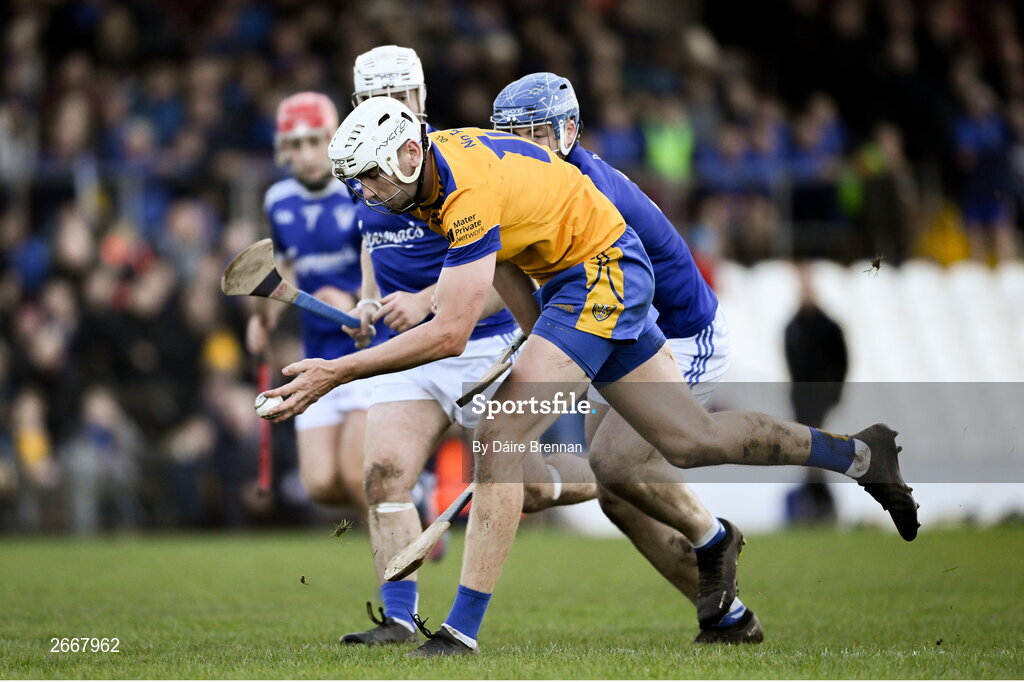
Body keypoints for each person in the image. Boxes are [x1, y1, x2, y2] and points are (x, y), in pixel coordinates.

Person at [264, 96, 919, 657]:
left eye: (370, 179)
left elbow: (448, 332)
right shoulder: (427, 186)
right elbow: (509, 263)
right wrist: (531, 334)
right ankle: (860, 453)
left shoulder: (459, 188)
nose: (365, 196)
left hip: (598, 273)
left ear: (405, 155)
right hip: (577, 278)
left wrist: (335, 371)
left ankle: (460, 632)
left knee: (498, 433)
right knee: (691, 442)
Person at [334, 46, 595, 647]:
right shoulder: (365, 165)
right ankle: (400, 619)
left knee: (519, 479)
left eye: (399, 98)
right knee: (383, 474)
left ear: (422, 99)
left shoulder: (456, 165)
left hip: (484, 344)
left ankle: (606, 475)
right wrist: (370, 301)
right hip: (413, 351)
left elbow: (506, 275)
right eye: (374, 100)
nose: (388, 111)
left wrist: (427, 299)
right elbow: (375, 248)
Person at [490, 72, 759, 643]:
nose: (522, 151)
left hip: (680, 333)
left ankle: (716, 540)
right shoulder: (538, 189)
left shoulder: (589, 191)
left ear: (565, 131)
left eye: (534, 135)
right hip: (626, 328)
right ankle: (726, 614)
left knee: (619, 465)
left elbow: (611, 300)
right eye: (512, 138)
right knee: (616, 493)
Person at [246, 92, 371, 514]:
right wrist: (265, 317)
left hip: (366, 346)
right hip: (315, 349)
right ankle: (410, 495)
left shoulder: (359, 191)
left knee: (359, 477)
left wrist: (355, 298)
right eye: (296, 145)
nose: (308, 154)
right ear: (284, 150)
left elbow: (387, 263)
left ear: (334, 139)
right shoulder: (278, 200)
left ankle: (397, 576)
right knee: (319, 485)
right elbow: (287, 269)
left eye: (316, 140)